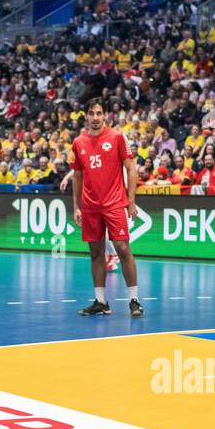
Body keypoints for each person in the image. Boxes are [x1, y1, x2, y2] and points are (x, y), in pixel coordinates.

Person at [69, 98, 142, 318]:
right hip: (91, 207)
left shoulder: (117, 137)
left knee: (122, 248)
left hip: (114, 204)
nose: (95, 117)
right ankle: (101, 302)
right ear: (86, 116)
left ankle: (134, 300)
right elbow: (78, 176)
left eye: (99, 113)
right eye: (91, 113)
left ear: (105, 116)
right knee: (95, 253)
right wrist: (76, 206)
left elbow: (131, 168)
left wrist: (130, 201)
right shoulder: (78, 143)